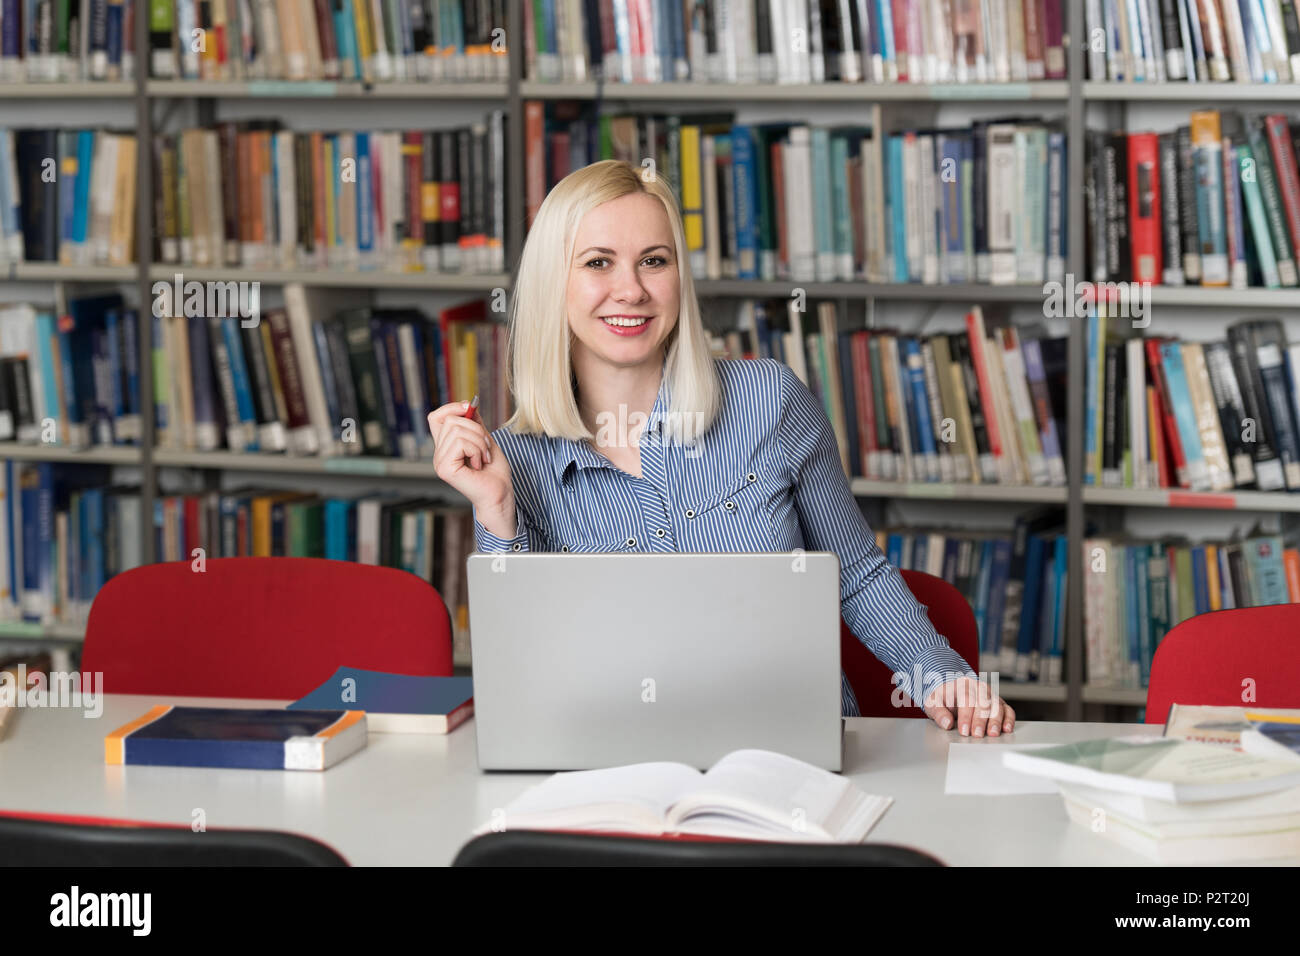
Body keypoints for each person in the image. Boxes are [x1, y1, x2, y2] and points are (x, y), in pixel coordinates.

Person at [427, 159, 1014, 738]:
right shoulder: (513, 462)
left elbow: (855, 574)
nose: (630, 290)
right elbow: (524, 672)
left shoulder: (770, 401)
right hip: (617, 761)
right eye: (598, 263)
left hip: (790, 758)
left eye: (654, 261)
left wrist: (944, 682)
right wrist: (496, 513)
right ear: (554, 284)